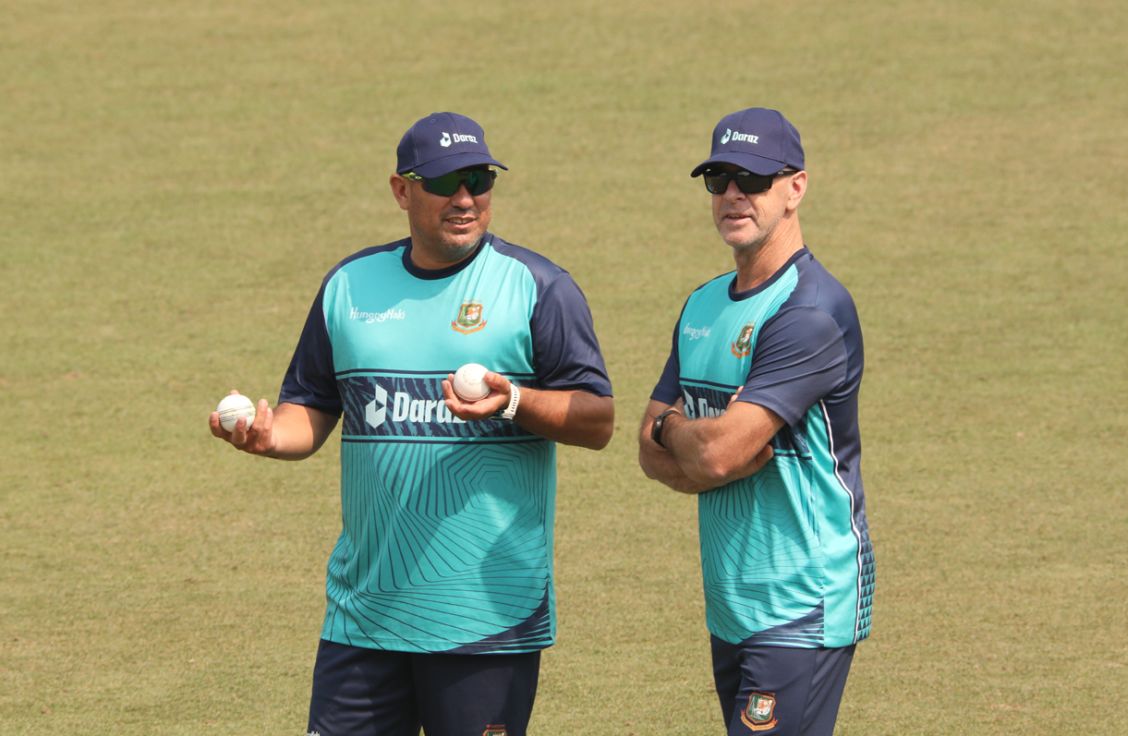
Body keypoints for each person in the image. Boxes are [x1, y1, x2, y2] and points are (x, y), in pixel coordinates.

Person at [210, 111, 614, 736]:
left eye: (479, 180)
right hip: (364, 615)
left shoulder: (538, 287)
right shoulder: (350, 286)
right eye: (445, 182)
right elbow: (310, 408)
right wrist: (268, 437)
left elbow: (597, 418)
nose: (465, 198)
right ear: (402, 190)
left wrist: (513, 400)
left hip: (485, 617)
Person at [637, 107, 875, 736]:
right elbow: (650, 450)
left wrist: (681, 435)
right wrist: (687, 442)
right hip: (733, 604)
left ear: (795, 187)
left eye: (753, 179)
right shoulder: (703, 304)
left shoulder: (810, 312)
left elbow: (712, 454)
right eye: (719, 180)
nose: (733, 194)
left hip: (802, 603)